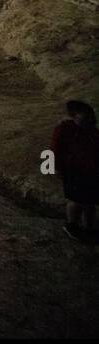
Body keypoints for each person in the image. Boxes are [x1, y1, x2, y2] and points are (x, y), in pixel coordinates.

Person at [51, 100, 99, 241]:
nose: (90, 120)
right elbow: (55, 149)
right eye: (85, 117)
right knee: (77, 200)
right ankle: (72, 225)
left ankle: (89, 228)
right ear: (73, 116)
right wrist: (56, 168)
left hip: (90, 171)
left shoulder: (90, 130)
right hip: (74, 171)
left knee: (89, 202)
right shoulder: (65, 129)